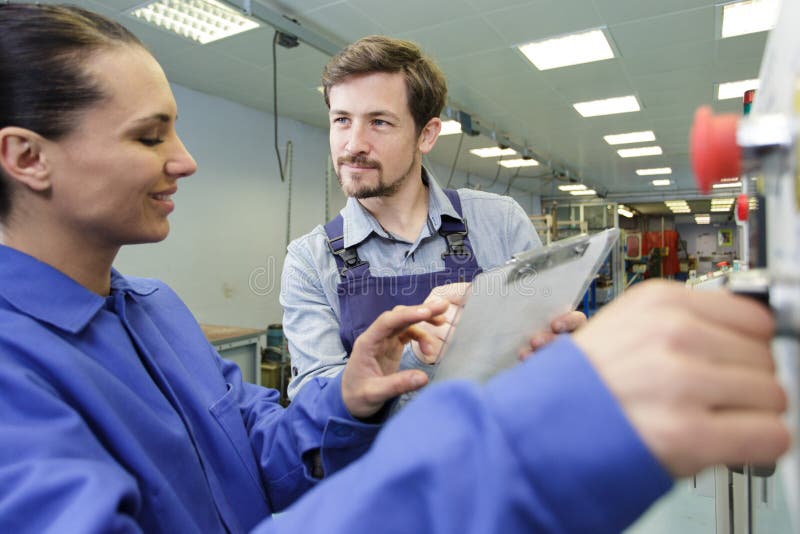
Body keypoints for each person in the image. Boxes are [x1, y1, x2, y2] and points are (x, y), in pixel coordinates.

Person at [0, 5, 790, 534]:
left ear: (426, 133)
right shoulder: (16, 371)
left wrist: (356, 389)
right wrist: (534, 439)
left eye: (378, 121)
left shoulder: (153, 310)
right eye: (150, 137)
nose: (186, 161)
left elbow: (263, 455)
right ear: (26, 158)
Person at [281, 35, 584, 399]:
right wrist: (412, 356)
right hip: (381, 457)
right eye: (342, 119)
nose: (353, 144)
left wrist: (566, 347)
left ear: (426, 135)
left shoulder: (500, 223)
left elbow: (543, 370)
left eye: (378, 122)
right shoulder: (309, 260)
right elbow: (313, 400)